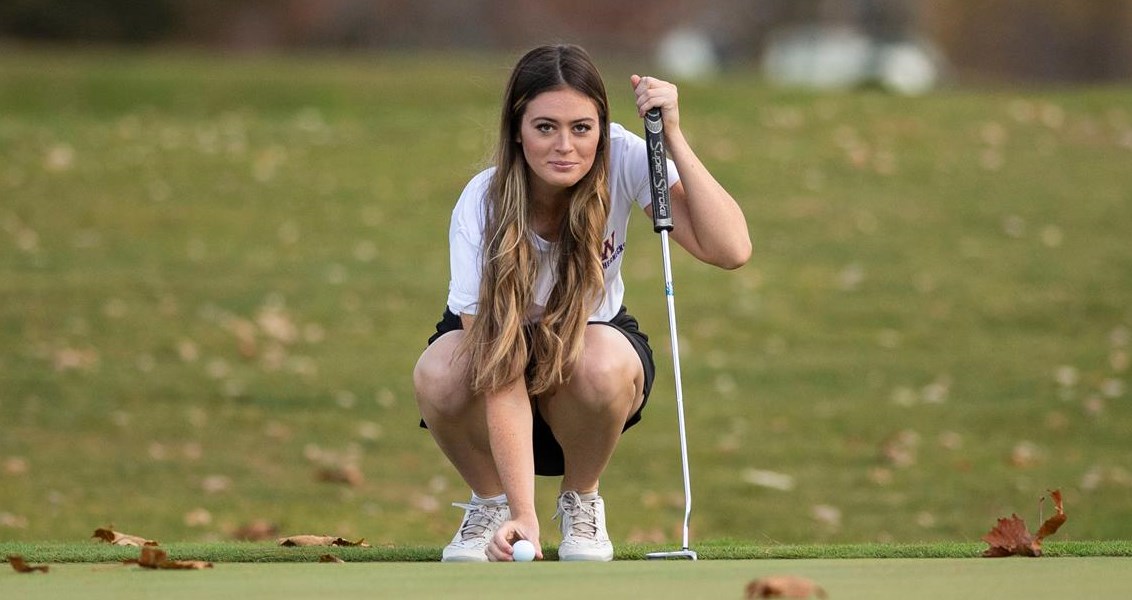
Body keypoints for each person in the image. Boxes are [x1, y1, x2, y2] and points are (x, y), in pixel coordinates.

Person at [413, 44, 750, 562]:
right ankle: (490, 504)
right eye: (545, 127)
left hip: (586, 358)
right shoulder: (481, 205)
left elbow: (730, 249)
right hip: (498, 372)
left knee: (601, 361)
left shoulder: (626, 156)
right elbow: (500, 374)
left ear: (601, 128)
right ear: (517, 130)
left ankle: (581, 500)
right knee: (439, 370)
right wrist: (521, 513)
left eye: (582, 128)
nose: (565, 146)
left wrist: (674, 137)